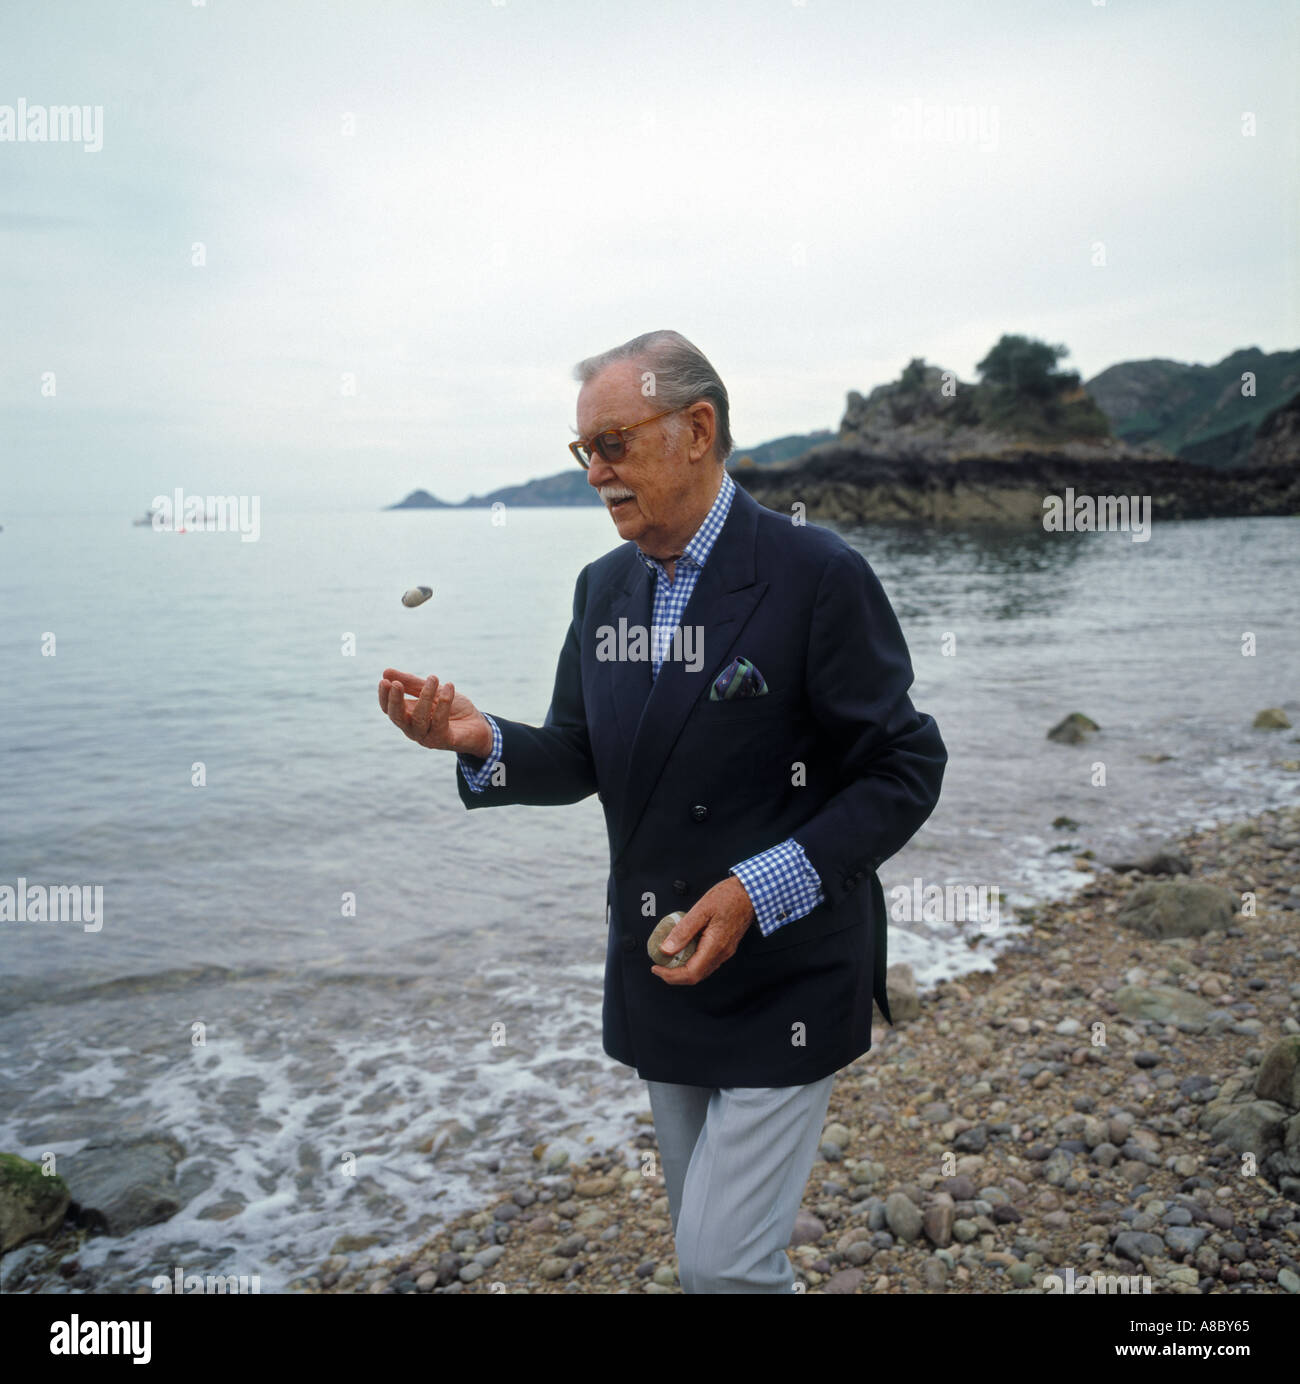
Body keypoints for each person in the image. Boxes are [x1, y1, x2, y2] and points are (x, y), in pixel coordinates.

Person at [378, 330, 947, 1292]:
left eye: (614, 443)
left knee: (721, 1268)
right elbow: (583, 756)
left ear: (697, 429)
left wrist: (756, 891)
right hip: (662, 965)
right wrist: (483, 741)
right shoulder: (602, 590)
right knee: (710, 1255)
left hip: (789, 972)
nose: (597, 470)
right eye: (583, 451)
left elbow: (904, 764)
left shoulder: (818, 575)